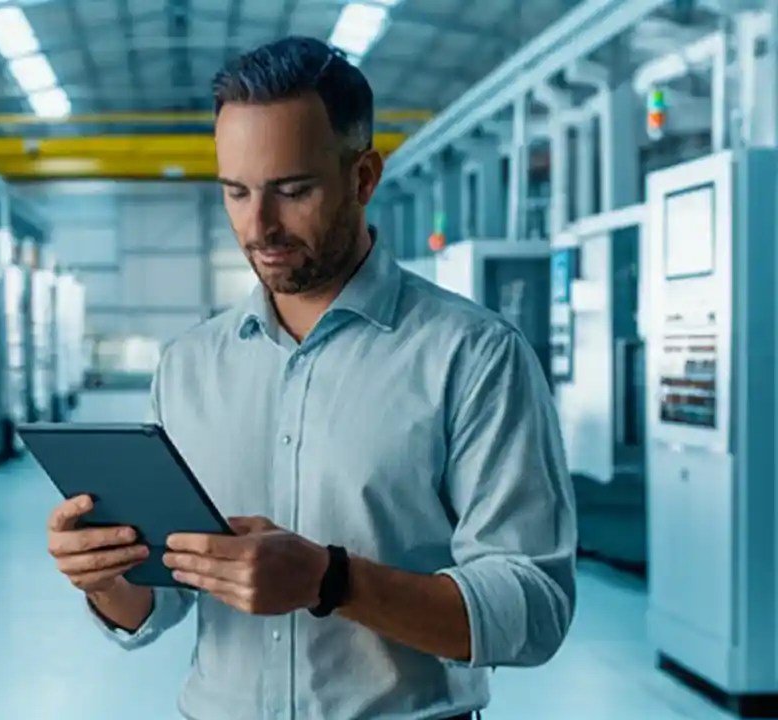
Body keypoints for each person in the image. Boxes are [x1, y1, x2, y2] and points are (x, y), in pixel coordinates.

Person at [45, 36, 577, 720]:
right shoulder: (189, 368)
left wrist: (333, 580)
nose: (258, 226)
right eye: (236, 192)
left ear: (363, 179)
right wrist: (107, 577)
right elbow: (166, 596)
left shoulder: (474, 357)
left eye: (291, 191)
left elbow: (534, 607)